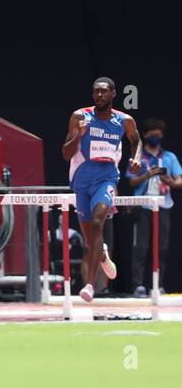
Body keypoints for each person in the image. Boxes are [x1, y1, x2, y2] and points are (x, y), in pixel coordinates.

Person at [61, 77, 141, 303]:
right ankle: (103, 253)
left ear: (113, 94)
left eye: (104, 92)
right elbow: (66, 154)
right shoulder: (80, 117)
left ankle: (90, 285)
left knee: (98, 223)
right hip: (81, 180)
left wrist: (135, 159)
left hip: (106, 179)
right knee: (91, 239)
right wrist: (79, 135)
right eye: (96, 92)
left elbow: (136, 140)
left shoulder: (124, 120)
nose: (99, 96)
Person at [125, 117, 182, 296]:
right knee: (140, 248)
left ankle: (157, 284)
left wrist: (169, 181)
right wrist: (147, 174)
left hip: (163, 205)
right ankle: (138, 285)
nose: (155, 137)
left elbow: (179, 181)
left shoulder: (169, 157)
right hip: (143, 206)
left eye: (158, 134)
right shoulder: (138, 157)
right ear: (145, 135)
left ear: (162, 135)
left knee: (162, 247)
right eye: (152, 134)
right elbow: (132, 181)